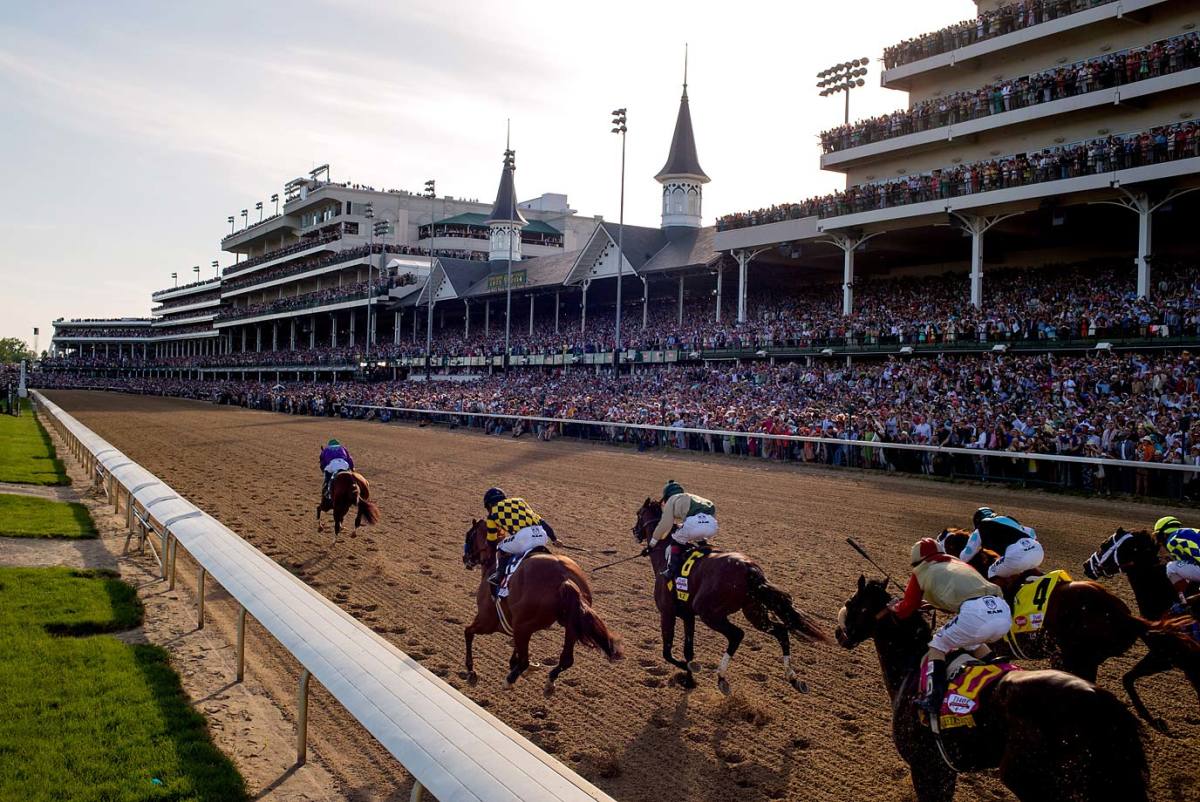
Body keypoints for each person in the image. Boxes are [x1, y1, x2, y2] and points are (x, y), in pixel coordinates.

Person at [890, 537, 1011, 715]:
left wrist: (894, 606)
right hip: (1001, 611)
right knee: (969, 638)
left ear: (917, 561)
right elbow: (963, 594)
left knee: (937, 644)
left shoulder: (921, 571)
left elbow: (906, 609)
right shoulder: (958, 563)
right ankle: (995, 665)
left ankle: (933, 698)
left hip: (975, 613)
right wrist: (932, 604)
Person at [483, 487, 556, 596]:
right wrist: (554, 539)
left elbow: (491, 540)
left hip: (523, 537)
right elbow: (542, 522)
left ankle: (499, 576)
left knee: (500, 547)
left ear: (489, 505)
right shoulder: (520, 501)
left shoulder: (492, 515)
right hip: (541, 534)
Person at [647, 480, 717, 580]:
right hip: (712, 526)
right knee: (698, 537)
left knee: (675, 542)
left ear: (667, 495)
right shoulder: (696, 498)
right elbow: (702, 520)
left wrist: (652, 543)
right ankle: (703, 547)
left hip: (694, 524)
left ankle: (671, 570)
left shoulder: (672, 499)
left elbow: (665, 525)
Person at [959, 506, 1042, 583]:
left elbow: (966, 555)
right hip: (1038, 551)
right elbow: (1032, 532)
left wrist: (957, 562)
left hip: (1016, 557)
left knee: (991, 571)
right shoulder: (1007, 519)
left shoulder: (980, 528)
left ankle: (1002, 598)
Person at [1153, 516, 1200, 599]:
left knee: (1171, 567)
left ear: (1163, 534)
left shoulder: (1172, 541)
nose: (1158, 541)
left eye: (1157, 536)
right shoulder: (1191, 531)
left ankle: (1184, 599)